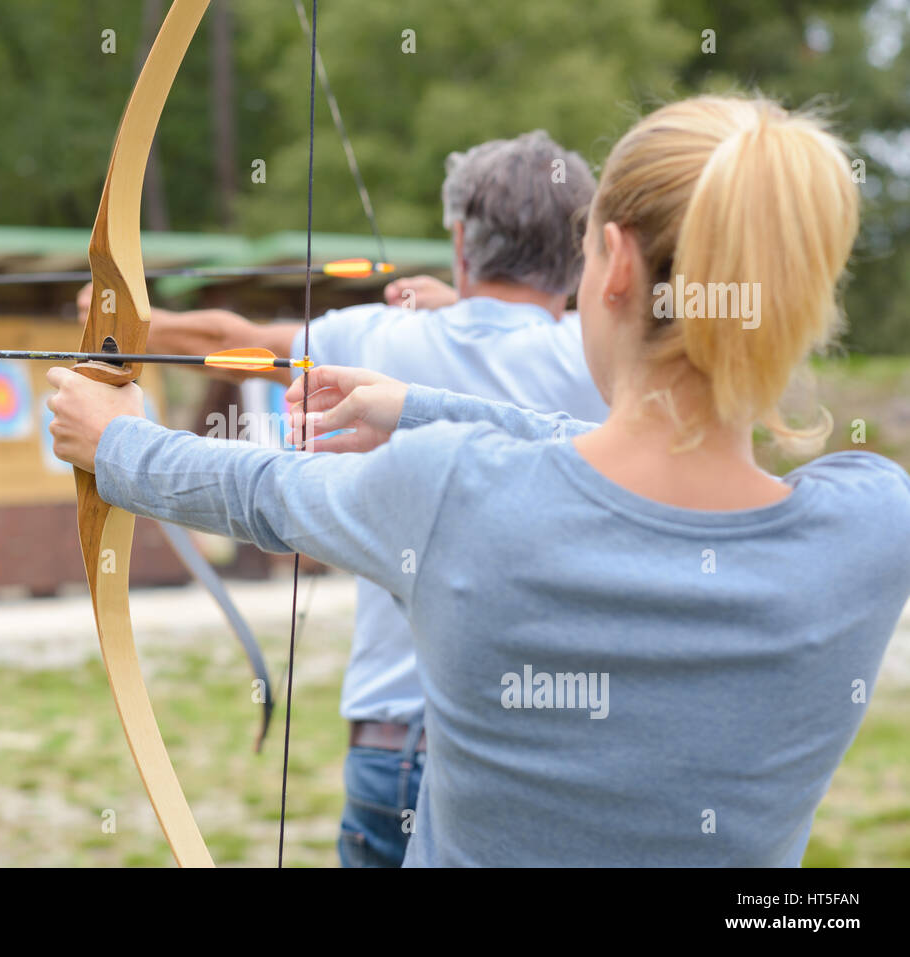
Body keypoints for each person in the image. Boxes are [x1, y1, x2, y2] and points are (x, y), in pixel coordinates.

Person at [47, 94, 910, 865]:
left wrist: (116, 442)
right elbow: (649, 462)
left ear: (613, 265)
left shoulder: (452, 490)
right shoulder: (872, 526)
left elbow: (262, 492)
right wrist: (418, 404)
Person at [80, 130, 607, 867]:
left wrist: (127, 318)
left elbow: (237, 341)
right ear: (583, 255)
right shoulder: (605, 357)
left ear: (460, 239)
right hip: (553, 746)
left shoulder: (373, 337)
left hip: (397, 746)